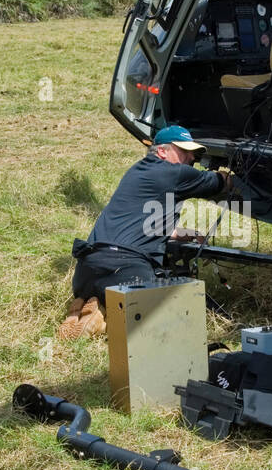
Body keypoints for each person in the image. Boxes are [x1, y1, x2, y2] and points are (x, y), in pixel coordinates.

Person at [59, 125, 231, 338]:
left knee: (110, 293)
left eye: (193, 154)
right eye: (184, 151)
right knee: (158, 317)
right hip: (125, 269)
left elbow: (145, 223)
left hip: (86, 269)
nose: (191, 158)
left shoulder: (137, 172)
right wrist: (226, 174)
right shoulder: (175, 173)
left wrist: (181, 232)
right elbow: (219, 183)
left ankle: (89, 307)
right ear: (161, 151)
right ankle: (103, 323)